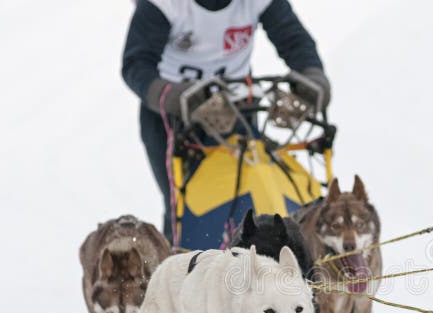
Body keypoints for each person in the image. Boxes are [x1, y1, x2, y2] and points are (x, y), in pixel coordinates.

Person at [121, 0, 330, 243]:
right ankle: (180, 261)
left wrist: (312, 74)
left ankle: (266, 252)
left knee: (251, 182)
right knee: (182, 204)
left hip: (236, 109)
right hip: (174, 117)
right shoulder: (166, 5)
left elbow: (293, 39)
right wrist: (168, 95)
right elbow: (136, 64)